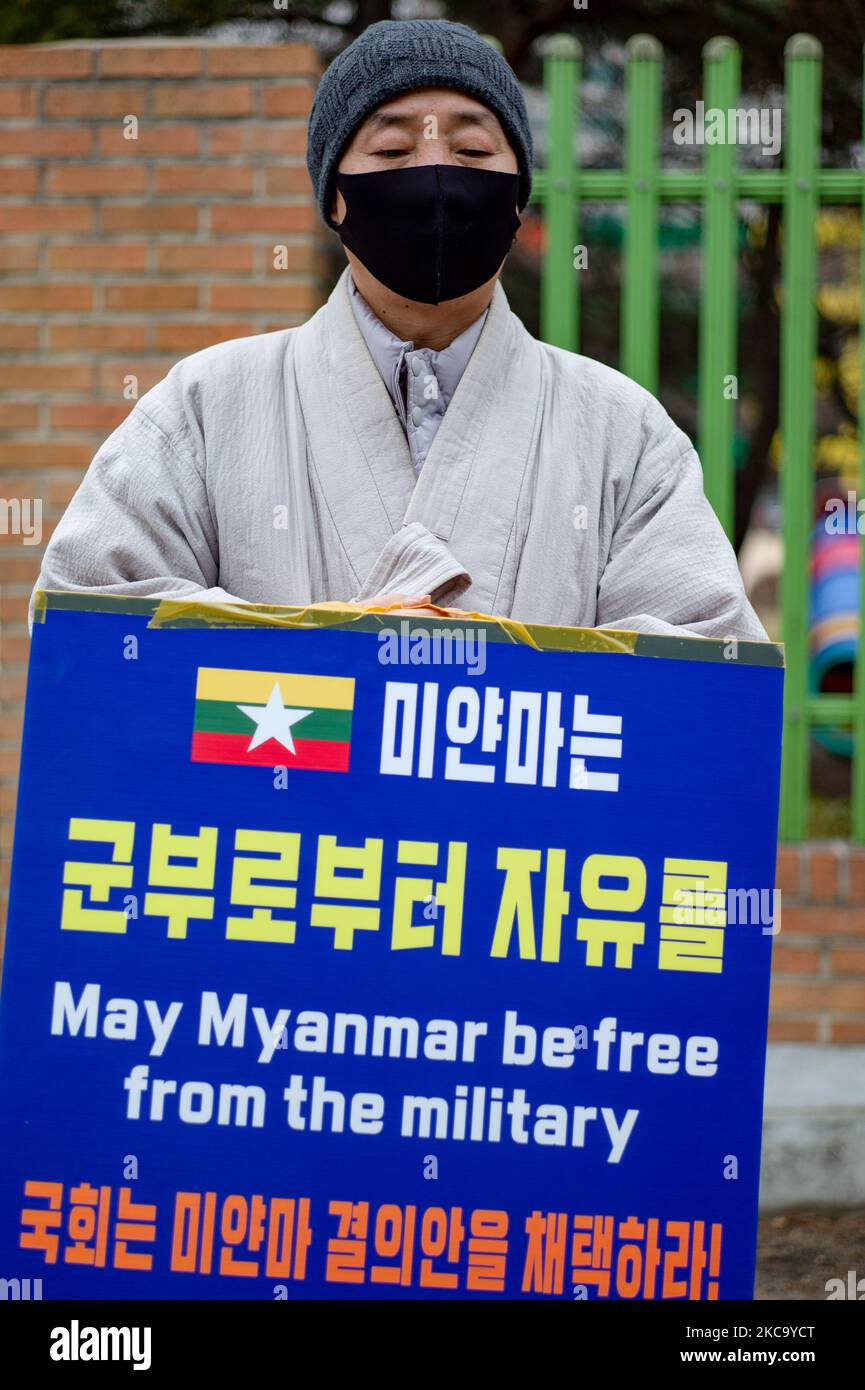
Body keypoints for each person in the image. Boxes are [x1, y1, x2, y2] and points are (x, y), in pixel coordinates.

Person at [31, 18, 766, 641]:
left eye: (474, 151)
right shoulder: (203, 406)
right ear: (336, 198)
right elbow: (89, 619)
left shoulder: (622, 431)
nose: (437, 174)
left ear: (516, 200)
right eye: (391, 153)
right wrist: (332, 647)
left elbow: (702, 665)